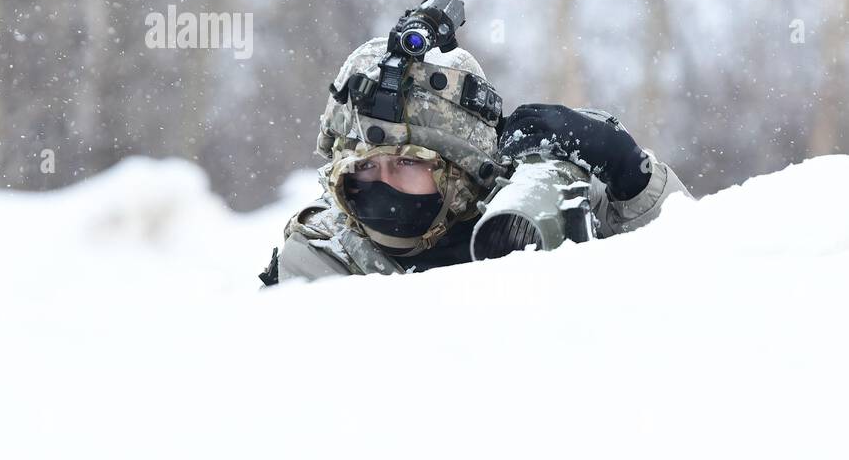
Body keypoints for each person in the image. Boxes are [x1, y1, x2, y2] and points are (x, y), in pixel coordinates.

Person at [260, 35, 691, 284]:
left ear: (462, 172)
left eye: (409, 163)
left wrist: (632, 177)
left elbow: (695, 275)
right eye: (364, 166)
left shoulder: (536, 212)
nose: (382, 183)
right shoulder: (317, 263)